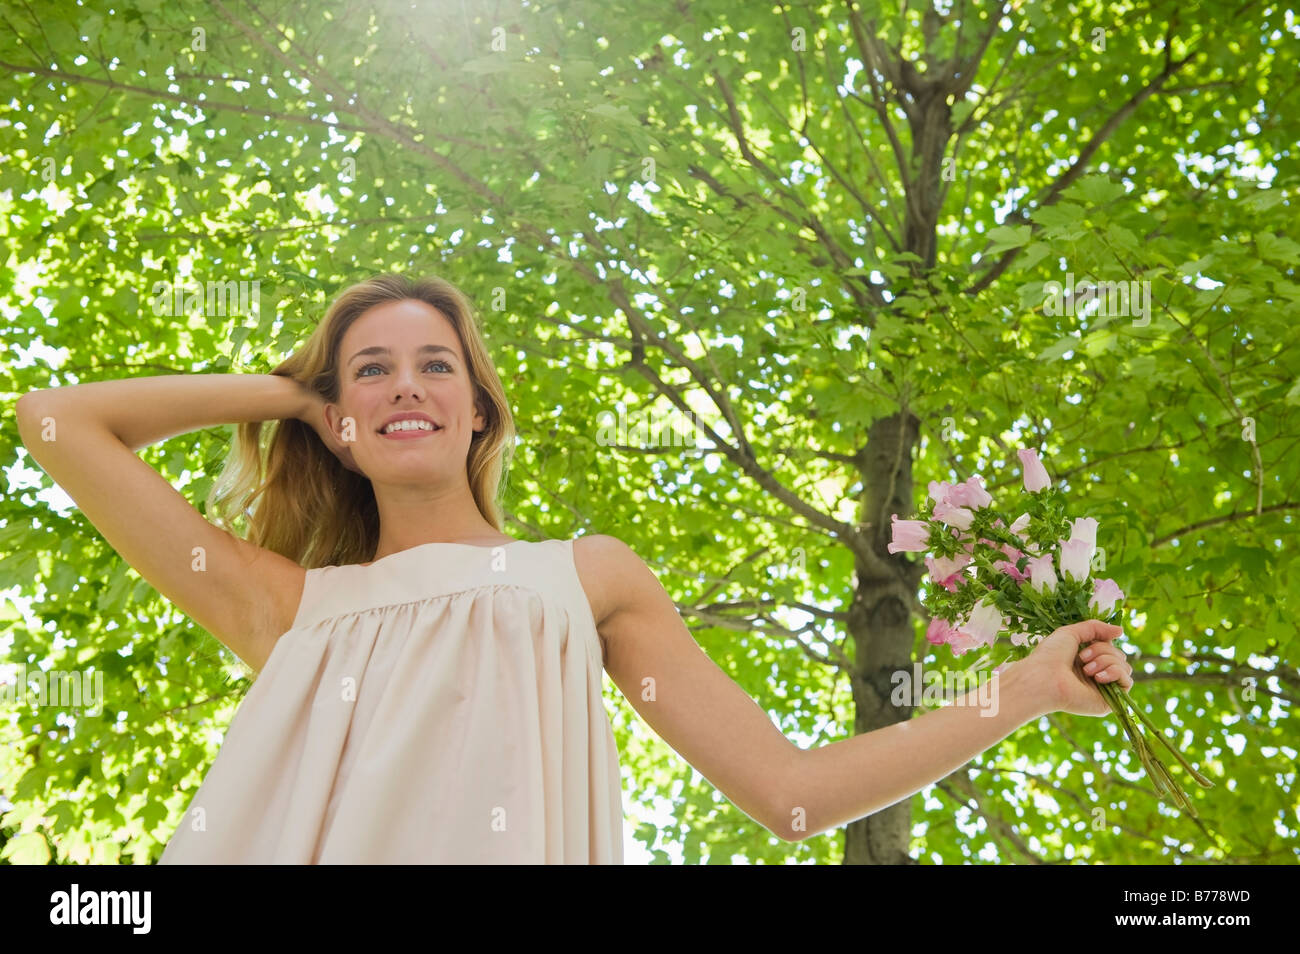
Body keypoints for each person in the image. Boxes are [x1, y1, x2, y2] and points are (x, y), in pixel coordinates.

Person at [15, 274, 1134, 863]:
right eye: (372, 371)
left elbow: (791, 799)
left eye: (433, 365)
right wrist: (291, 394)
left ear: (479, 410)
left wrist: (1025, 688)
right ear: (337, 423)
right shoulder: (288, 604)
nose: (405, 385)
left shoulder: (584, 574)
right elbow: (58, 421)